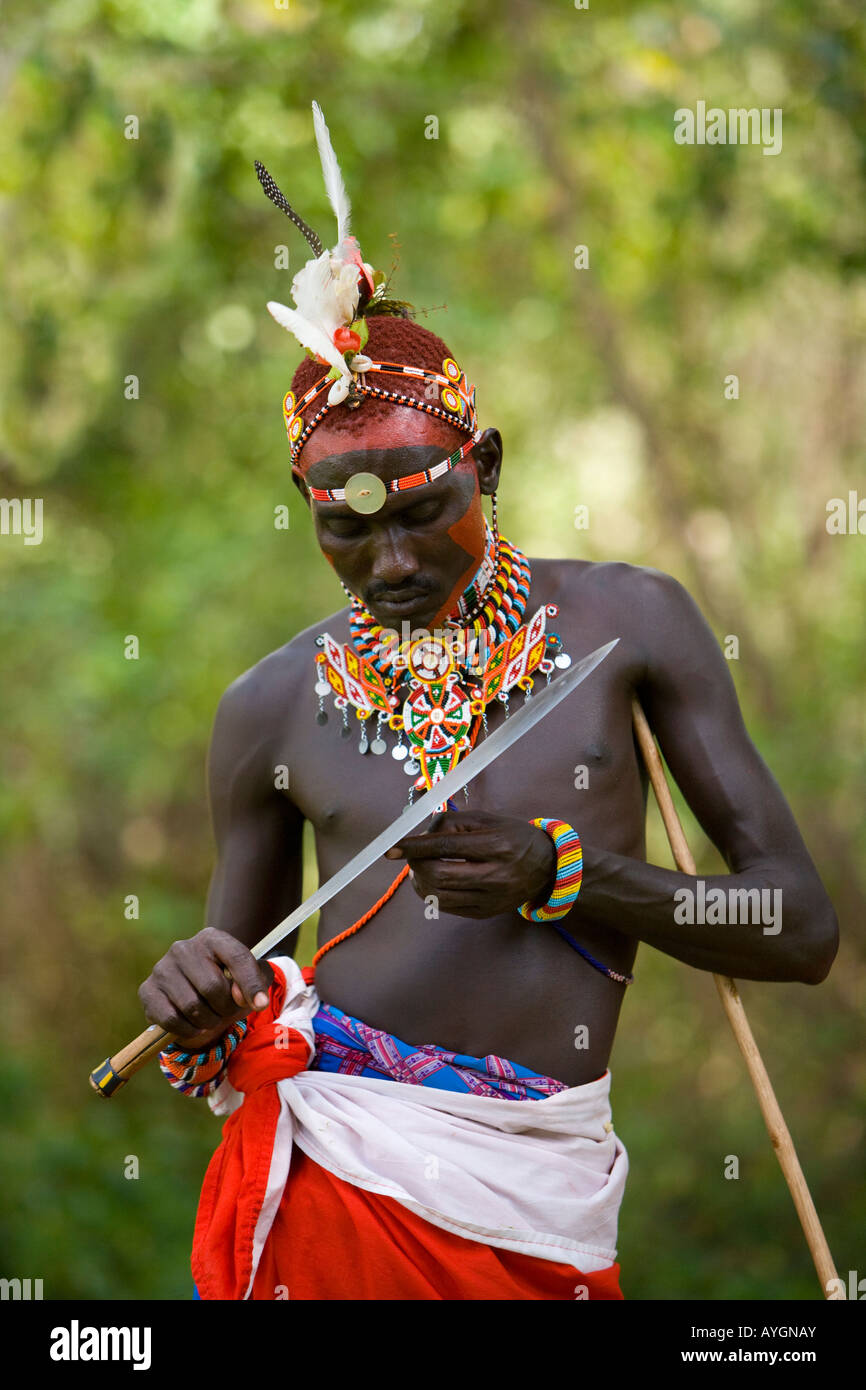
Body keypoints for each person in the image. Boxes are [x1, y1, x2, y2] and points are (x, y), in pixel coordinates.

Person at [140, 104, 838, 1302]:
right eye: (346, 532)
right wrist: (195, 1000)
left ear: (489, 466)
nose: (392, 563)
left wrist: (570, 874)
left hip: (541, 1209)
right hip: (334, 1200)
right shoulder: (266, 708)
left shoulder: (630, 625)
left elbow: (797, 928)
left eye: (422, 513)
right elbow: (238, 1011)